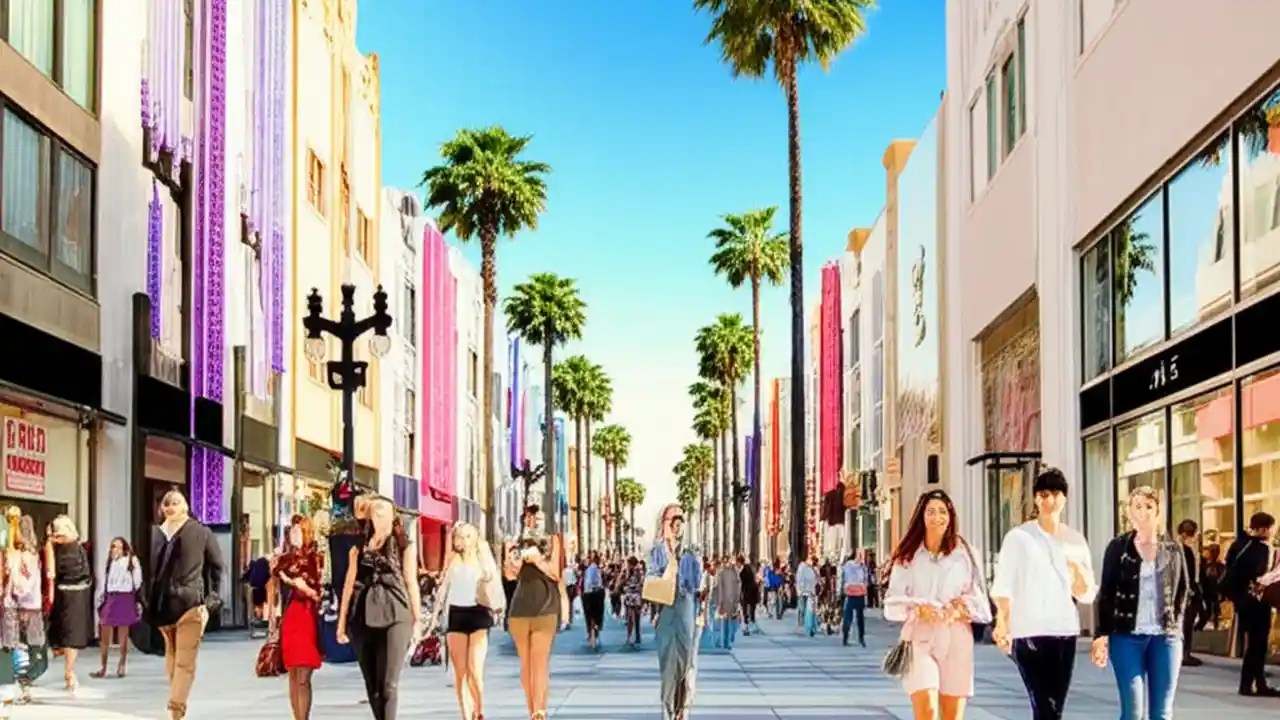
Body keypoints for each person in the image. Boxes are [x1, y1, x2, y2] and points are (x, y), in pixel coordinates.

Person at [990, 467, 1097, 720]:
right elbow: (1004, 584)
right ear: (1036, 498)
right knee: (1044, 705)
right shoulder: (1019, 538)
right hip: (1028, 632)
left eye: (1056, 494)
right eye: (1044, 494)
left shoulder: (1075, 540)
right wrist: (1002, 622)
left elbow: (1087, 594)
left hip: (1064, 632)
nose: (1049, 501)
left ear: (1065, 498)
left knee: (1053, 709)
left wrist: (1077, 572)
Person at [884, 489, 990, 720]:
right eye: (930, 511)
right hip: (920, 638)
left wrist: (961, 607)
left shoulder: (967, 554)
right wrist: (917, 607)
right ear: (921, 516)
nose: (937, 517)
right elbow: (891, 604)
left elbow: (983, 606)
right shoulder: (907, 556)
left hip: (957, 639)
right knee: (928, 712)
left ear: (951, 516)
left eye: (942, 512)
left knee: (952, 716)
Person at [1091, 486, 1190, 720]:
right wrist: (1101, 635)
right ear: (1129, 512)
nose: (1143, 512)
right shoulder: (1118, 548)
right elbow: (1106, 592)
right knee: (1133, 712)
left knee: (1162, 712)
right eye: (1137, 506)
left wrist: (1177, 625)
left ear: (1158, 511)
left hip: (1165, 638)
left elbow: (1184, 590)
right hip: (1126, 636)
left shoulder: (1173, 549)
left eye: (1149, 507)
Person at [336, 497, 420, 720]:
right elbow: (349, 583)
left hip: (396, 613)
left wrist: (417, 620)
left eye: (385, 512)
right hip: (363, 616)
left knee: (388, 684)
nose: (381, 516)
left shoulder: (404, 545)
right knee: (372, 684)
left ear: (394, 516)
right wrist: (341, 622)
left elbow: (411, 582)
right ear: (370, 516)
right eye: (377, 511)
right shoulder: (359, 545)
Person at [149, 490, 225, 720]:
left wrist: (211, 599)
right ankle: (177, 708)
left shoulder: (200, 532)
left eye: (176, 502)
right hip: (163, 606)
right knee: (171, 658)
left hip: (191, 604)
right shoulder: (155, 534)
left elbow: (217, 566)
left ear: (185, 507)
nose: (171, 506)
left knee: (184, 661)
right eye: (166, 502)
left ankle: (175, 708)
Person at [429, 522, 502, 720]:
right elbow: (444, 588)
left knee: (474, 670)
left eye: (467, 536)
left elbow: (494, 584)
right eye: (459, 536)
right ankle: (465, 715)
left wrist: (498, 606)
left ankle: (479, 709)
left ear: (475, 538)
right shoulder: (452, 560)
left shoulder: (483, 559)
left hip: (479, 615)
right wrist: (434, 617)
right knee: (460, 673)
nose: (462, 540)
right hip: (456, 615)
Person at [505, 505, 563, 720]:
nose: (534, 521)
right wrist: (512, 560)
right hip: (520, 609)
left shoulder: (553, 539)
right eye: (529, 517)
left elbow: (556, 574)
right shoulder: (517, 541)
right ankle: (532, 711)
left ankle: (540, 710)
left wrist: (538, 560)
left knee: (540, 661)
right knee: (526, 665)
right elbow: (510, 576)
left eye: (538, 517)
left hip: (545, 607)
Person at [649, 503, 704, 720]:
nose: (676, 524)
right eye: (671, 520)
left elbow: (697, 583)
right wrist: (669, 554)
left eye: (679, 519)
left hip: (686, 607)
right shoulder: (657, 551)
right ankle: (668, 709)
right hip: (665, 609)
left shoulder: (691, 552)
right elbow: (651, 581)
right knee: (668, 663)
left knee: (687, 661)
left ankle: (682, 708)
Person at [272, 515, 324, 720]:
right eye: (291, 531)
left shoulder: (315, 557)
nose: (294, 534)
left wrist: (299, 585)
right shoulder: (284, 559)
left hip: (308, 617)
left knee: (303, 676)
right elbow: (275, 588)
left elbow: (319, 590)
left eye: (297, 530)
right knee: (293, 674)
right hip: (290, 616)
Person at [1221, 511, 1278, 697]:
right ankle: (1248, 685)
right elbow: (1259, 574)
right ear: (1263, 529)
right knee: (1257, 644)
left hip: (1245, 601)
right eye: (1270, 528)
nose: (1272, 532)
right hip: (1254, 601)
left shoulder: (1239, 544)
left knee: (1256, 644)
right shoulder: (1258, 548)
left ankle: (1258, 683)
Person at [3, 513, 47, 703]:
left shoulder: (22, 555)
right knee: (30, 650)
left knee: (17, 648)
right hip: (25, 607)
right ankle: (21, 687)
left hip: (15, 606)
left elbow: (23, 583)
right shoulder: (26, 555)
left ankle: (20, 687)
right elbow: (24, 584)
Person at [46, 515, 92, 693]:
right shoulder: (78, 547)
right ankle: (69, 672)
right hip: (77, 594)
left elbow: (51, 572)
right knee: (71, 636)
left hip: (67, 594)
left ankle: (69, 672)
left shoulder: (56, 547)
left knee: (68, 635)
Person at [92, 536, 143, 679]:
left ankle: (122, 663)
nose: (115, 549)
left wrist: (130, 590)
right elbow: (104, 581)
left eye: (119, 547)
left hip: (124, 596)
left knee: (123, 633)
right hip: (111, 597)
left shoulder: (131, 561)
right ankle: (103, 666)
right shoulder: (109, 562)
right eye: (113, 546)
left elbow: (137, 580)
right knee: (105, 631)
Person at [1174, 519, 1203, 667]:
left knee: (1184, 624)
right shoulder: (1184, 552)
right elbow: (1189, 576)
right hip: (1185, 594)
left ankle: (1183, 653)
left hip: (1182, 593)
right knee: (1186, 624)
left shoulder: (1175, 550)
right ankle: (1184, 654)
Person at [840, 549, 870, 647]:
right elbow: (844, 578)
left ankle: (861, 638)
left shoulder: (863, 567)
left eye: (862, 555)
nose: (861, 557)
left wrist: (864, 590)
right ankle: (845, 637)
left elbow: (865, 580)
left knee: (860, 618)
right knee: (848, 617)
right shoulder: (849, 565)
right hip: (851, 594)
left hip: (860, 594)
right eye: (860, 555)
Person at [713, 557, 741, 650]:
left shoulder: (721, 574)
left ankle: (725, 642)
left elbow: (720, 588)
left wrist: (719, 603)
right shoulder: (734, 573)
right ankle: (728, 640)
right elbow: (738, 587)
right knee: (731, 622)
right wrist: (737, 599)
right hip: (731, 600)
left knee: (724, 623)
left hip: (725, 601)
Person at [580, 551, 606, 649]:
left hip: (589, 593)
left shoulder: (589, 569)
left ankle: (592, 632)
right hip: (597, 592)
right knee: (597, 613)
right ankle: (595, 630)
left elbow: (588, 582)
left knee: (589, 614)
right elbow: (600, 582)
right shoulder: (598, 569)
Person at [620, 555, 645, 645]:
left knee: (632, 617)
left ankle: (632, 636)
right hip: (633, 595)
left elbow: (640, 583)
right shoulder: (631, 571)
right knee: (633, 617)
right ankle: (634, 636)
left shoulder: (636, 571)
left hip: (633, 595)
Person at [795, 556, 818, 635]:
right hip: (803, 592)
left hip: (811, 592)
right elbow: (799, 579)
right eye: (811, 560)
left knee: (810, 610)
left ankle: (810, 626)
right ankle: (802, 625)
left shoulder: (813, 569)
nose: (812, 562)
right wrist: (801, 589)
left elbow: (815, 580)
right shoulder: (802, 568)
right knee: (802, 609)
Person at [737, 557, 759, 634]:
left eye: (738, 563)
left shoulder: (743, 571)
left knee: (745, 610)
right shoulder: (750, 567)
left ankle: (746, 626)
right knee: (751, 609)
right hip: (753, 591)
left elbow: (740, 581)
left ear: (740, 562)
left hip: (747, 592)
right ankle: (753, 625)